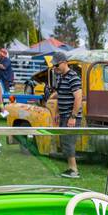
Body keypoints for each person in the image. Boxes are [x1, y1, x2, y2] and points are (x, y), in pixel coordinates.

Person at [48, 51, 82, 179]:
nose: (55, 68)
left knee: (69, 142)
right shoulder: (61, 77)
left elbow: (78, 98)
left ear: (63, 63)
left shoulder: (73, 77)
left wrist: (73, 117)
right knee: (65, 142)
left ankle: (74, 170)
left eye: (56, 65)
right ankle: (70, 168)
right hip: (64, 116)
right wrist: (57, 111)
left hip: (71, 117)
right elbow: (60, 95)